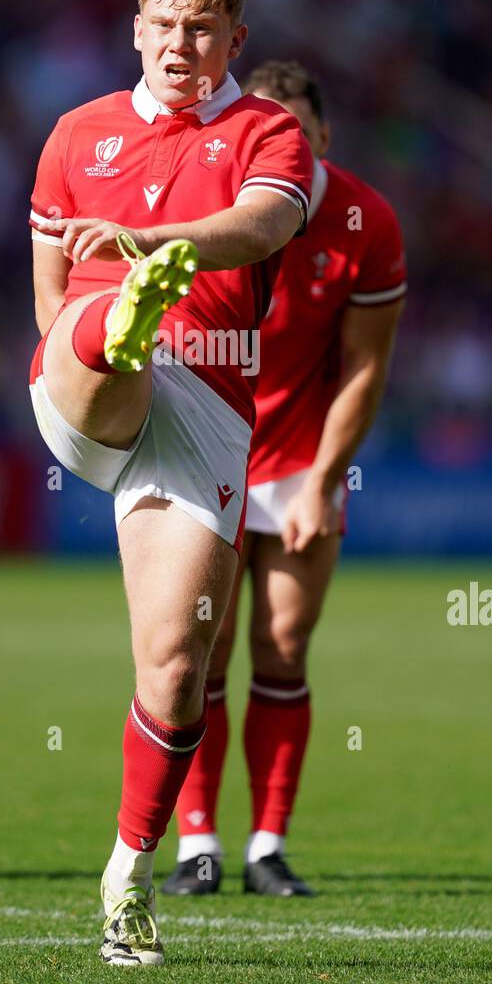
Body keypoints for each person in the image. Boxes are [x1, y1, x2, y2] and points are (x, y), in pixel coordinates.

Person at [29, 0, 313, 963]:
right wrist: (101, 326)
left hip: (204, 411)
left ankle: (126, 873)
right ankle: (126, 330)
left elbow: (259, 224)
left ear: (235, 39)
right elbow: (46, 294)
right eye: (163, 23)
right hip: (87, 379)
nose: (181, 44)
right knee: (99, 319)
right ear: (135, 28)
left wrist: (163, 245)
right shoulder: (76, 135)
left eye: (202, 27)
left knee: (178, 667)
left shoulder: (268, 131)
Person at [163, 60, 406, 897]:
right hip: (208, 452)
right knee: (200, 653)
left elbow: (364, 372)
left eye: (297, 133)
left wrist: (321, 481)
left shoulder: (364, 220)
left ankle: (266, 846)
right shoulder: (210, 208)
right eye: (268, 135)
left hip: (304, 461)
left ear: (324, 136)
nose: (283, 149)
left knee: (282, 647)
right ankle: (198, 844)